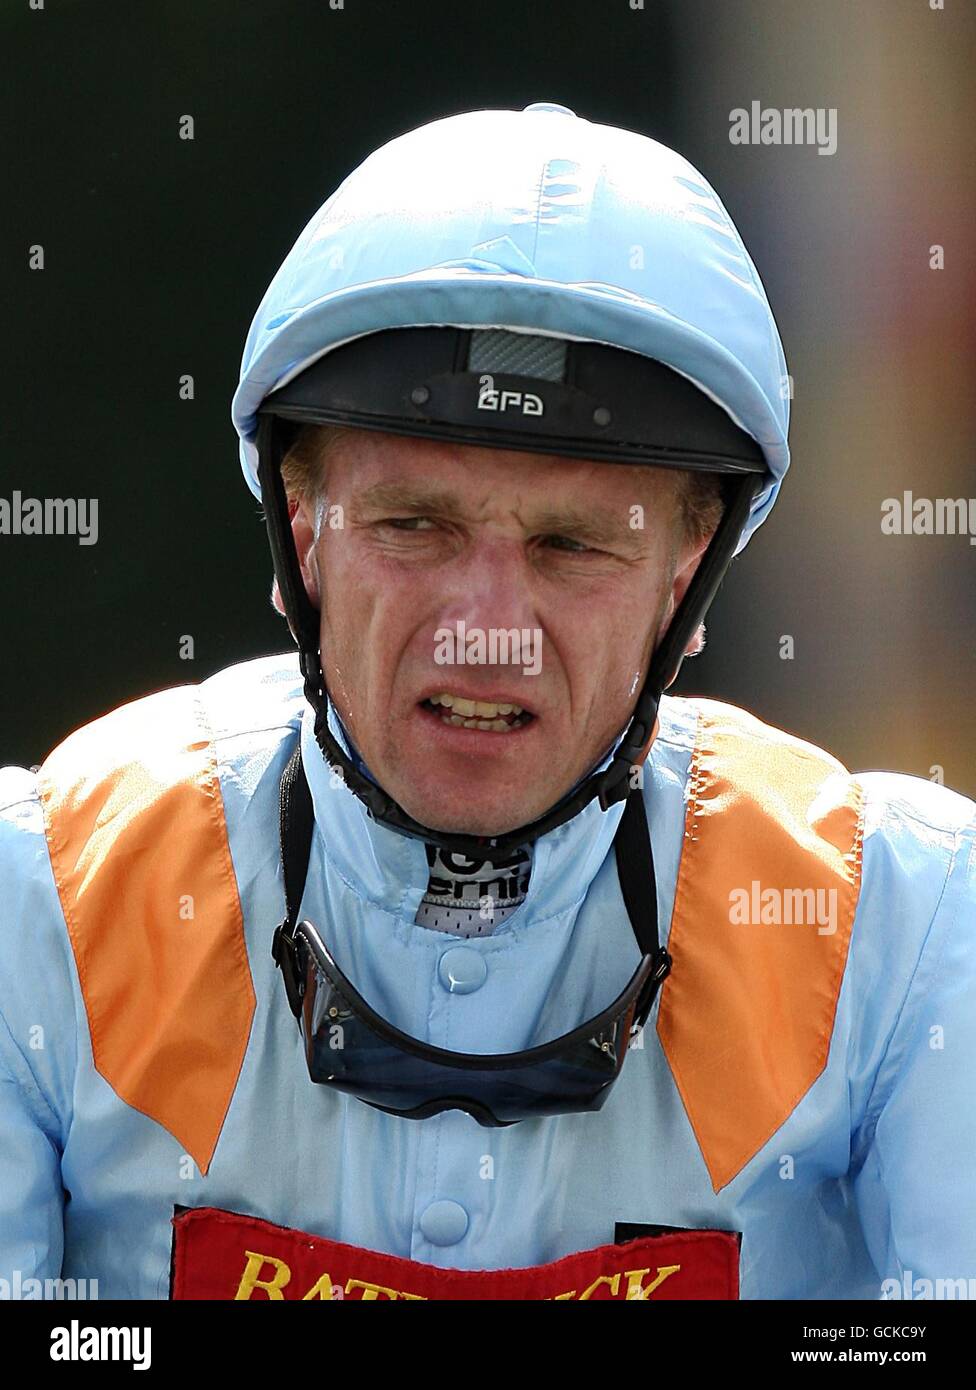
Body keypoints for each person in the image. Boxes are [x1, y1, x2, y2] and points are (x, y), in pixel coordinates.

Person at [1, 102, 973, 1303]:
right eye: (415, 526)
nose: (486, 626)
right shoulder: (40, 889)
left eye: (571, 545)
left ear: (684, 580)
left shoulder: (910, 926)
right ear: (301, 538)